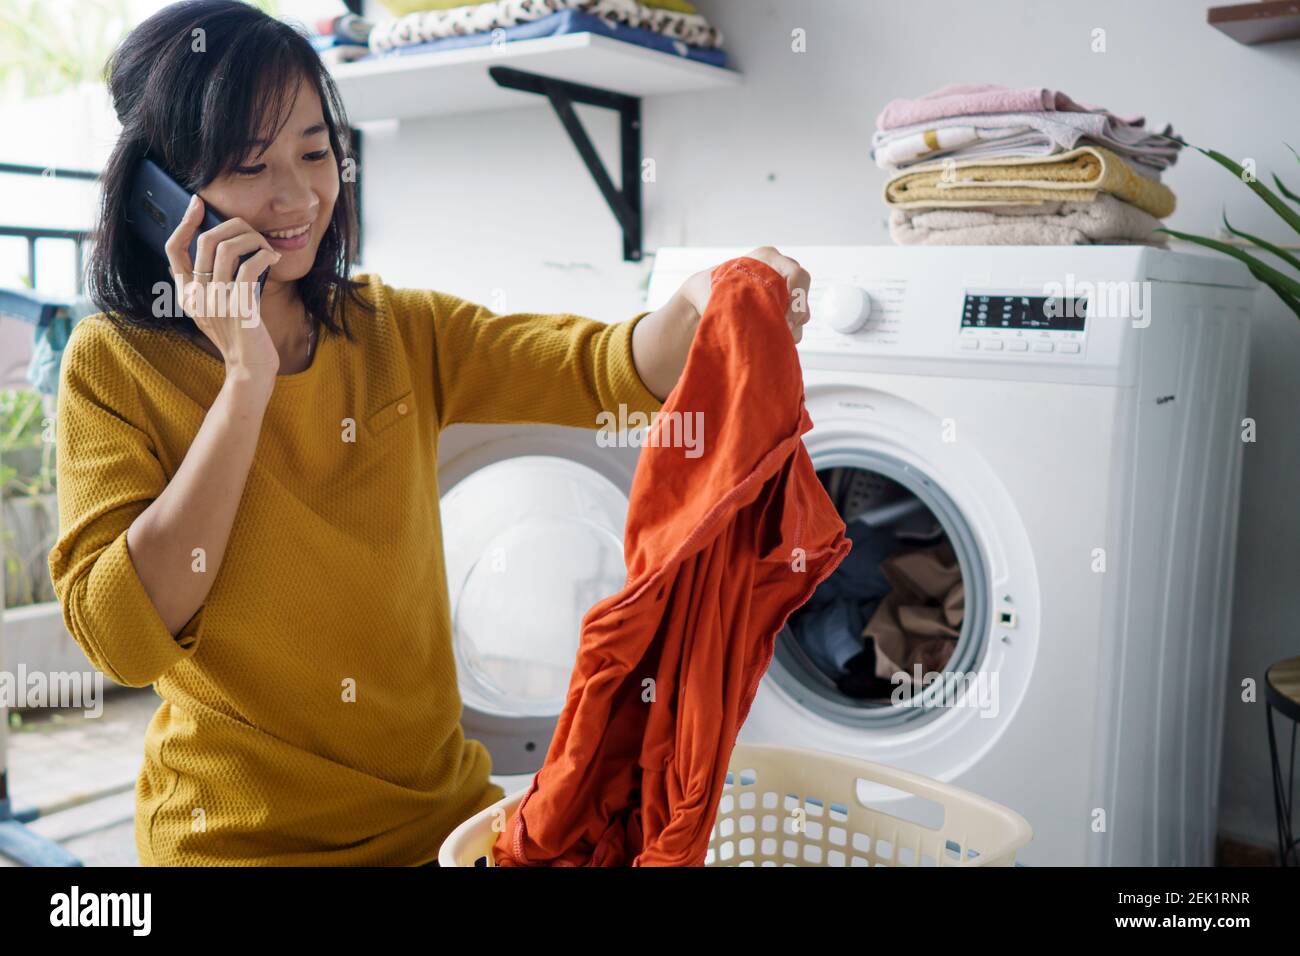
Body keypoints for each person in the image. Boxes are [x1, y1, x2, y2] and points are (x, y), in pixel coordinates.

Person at [52, 0, 810, 866]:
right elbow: (121, 638)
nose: (298, 196)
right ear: (165, 198)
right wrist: (245, 383)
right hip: (240, 841)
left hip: (440, 820)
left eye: (314, 150)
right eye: (249, 166)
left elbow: (596, 367)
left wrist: (700, 303)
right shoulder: (113, 362)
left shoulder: (392, 326)